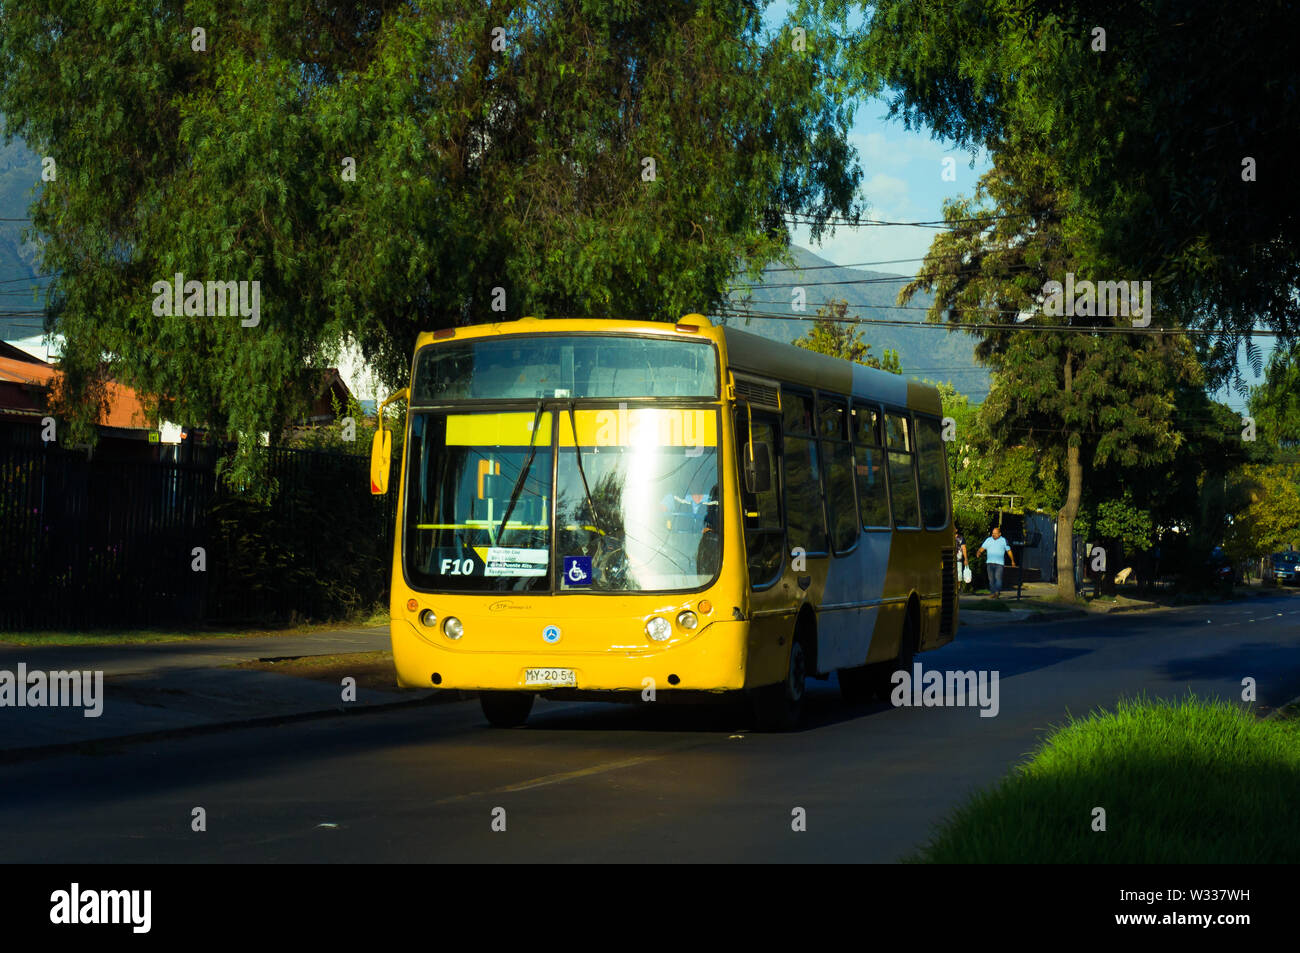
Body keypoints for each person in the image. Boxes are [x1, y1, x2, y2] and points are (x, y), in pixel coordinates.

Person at [976, 525, 1015, 598]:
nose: (993, 534)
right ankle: (992, 593)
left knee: (998, 579)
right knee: (991, 580)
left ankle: (997, 592)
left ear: (1000, 534)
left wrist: (1012, 560)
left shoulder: (1003, 540)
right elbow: (982, 548)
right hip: (989, 563)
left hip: (999, 564)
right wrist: (979, 552)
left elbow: (1008, 551)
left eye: (995, 533)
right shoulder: (988, 540)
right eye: (992, 533)